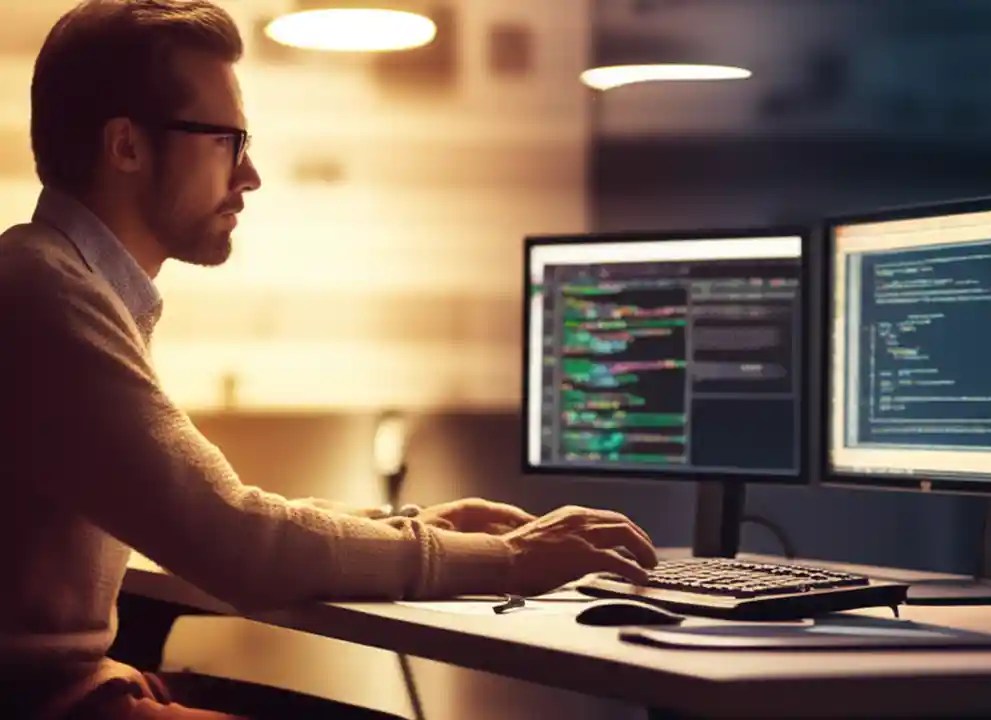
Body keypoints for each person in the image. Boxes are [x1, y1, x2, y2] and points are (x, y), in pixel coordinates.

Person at [0, 1, 657, 718]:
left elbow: (209, 518)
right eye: (226, 139)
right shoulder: (44, 294)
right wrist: (512, 561)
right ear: (125, 146)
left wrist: (413, 526)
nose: (249, 174)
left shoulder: (58, 282)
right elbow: (237, 542)